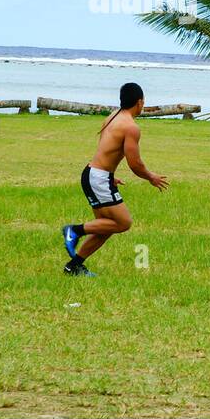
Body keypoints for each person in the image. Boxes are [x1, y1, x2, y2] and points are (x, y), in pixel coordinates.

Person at [61, 82, 169, 276]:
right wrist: (151, 177)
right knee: (123, 223)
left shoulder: (113, 117)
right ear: (139, 102)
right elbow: (135, 164)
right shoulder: (131, 127)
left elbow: (105, 150)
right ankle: (74, 230)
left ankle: (74, 265)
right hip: (98, 178)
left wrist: (110, 175)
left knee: (105, 227)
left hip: (93, 174)